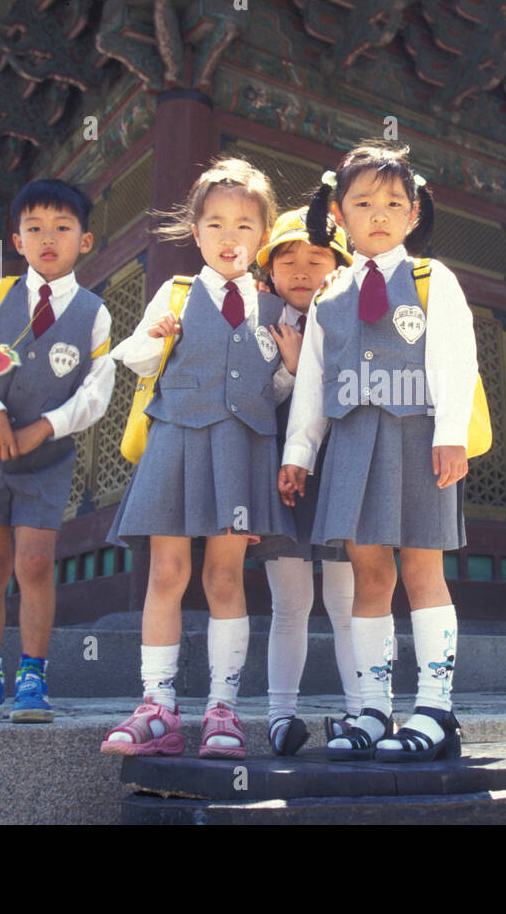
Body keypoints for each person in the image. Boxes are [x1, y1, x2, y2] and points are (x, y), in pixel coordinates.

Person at [279, 140, 477, 762]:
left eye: (395, 202)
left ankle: (437, 708)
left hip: (419, 438)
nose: (380, 213)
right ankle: (372, 709)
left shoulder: (430, 277)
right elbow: (312, 382)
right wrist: (299, 453)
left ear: (414, 213)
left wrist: (452, 433)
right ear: (338, 213)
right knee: (370, 575)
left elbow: (456, 356)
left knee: (422, 569)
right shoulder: (329, 296)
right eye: (363, 202)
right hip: (353, 445)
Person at [100, 157, 294, 759]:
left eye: (243, 226)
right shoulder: (176, 292)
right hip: (177, 439)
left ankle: (223, 710)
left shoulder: (276, 308)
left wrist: (288, 363)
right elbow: (130, 358)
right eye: (215, 224)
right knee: (166, 573)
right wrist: (155, 333)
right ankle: (157, 708)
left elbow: (279, 394)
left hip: (242, 448)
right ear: (196, 230)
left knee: (225, 576)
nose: (229, 237)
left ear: (262, 236)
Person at [0, 178, 115, 723]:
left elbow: (97, 394)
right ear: (18, 240)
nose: (48, 238)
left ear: (84, 241)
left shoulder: (94, 313)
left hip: (45, 458)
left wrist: (46, 428)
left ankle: (33, 678)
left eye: (63, 228)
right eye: (34, 228)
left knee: (35, 564)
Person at [254, 208, 361, 755]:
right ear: (268, 271)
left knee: (347, 604)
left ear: (338, 267)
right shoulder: (256, 323)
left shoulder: (352, 319)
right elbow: (246, 403)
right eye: (287, 259)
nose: (301, 270)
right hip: (280, 478)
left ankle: (360, 712)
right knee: (289, 604)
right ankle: (281, 715)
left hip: (336, 473)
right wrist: (290, 370)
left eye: (316, 259)